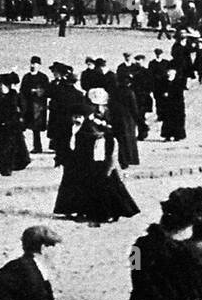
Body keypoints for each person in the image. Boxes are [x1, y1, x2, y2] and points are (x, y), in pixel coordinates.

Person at [53, 89, 140, 223]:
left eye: (80, 117)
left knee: (104, 187)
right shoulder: (69, 128)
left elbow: (102, 142)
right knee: (73, 186)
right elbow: (63, 144)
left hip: (93, 162)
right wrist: (60, 158)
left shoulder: (91, 129)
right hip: (74, 163)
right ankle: (73, 210)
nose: (77, 119)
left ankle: (109, 212)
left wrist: (103, 161)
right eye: (75, 117)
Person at [0, 73, 31, 176]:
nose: (0, 86)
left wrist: (18, 119)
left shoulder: (15, 96)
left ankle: (9, 167)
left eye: (2, 84)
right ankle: (3, 167)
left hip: (12, 126)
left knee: (11, 147)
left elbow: (23, 109)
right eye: (0, 84)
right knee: (0, 148)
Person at [19, 56, 50, 154]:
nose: (33, 65)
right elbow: (22, 90)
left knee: (36, 127)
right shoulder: (26, 77)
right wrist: (29, 91)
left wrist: (38, 91)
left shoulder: (43, 77)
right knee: (28, 125)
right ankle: (27, 147)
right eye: (32, 63)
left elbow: (47, 90)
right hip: (28, 105)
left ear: (39, 65)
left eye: (36, 64)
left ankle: (38, 146)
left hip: (39, 106)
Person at [157, 64, 187, 141]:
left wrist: (169, 94)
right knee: (167, 120)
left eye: (171, 71)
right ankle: (167, 136)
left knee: (177, 120)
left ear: (175, 72)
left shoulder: (178, 81)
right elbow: (159, 91)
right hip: (167, 105)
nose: (169, 73)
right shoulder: (163, 81)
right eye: (168, 71)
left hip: (177, 105)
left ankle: (177, 136)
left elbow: (179, 93)